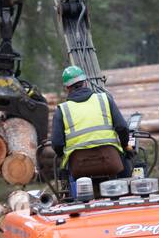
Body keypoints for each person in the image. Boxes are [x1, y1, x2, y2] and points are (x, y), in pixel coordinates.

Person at [50, 65, 131, 196]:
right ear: (85, 82)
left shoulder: (62, 109)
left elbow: (57, 143)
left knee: (66, 174)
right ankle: (127, 197)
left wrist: (63, 155)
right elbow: (122, 127)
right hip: (111, 163)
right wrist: (125, 146)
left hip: (80, 168)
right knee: (126, 162)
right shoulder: (104, 99)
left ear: (67, 88)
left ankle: (72, 198)